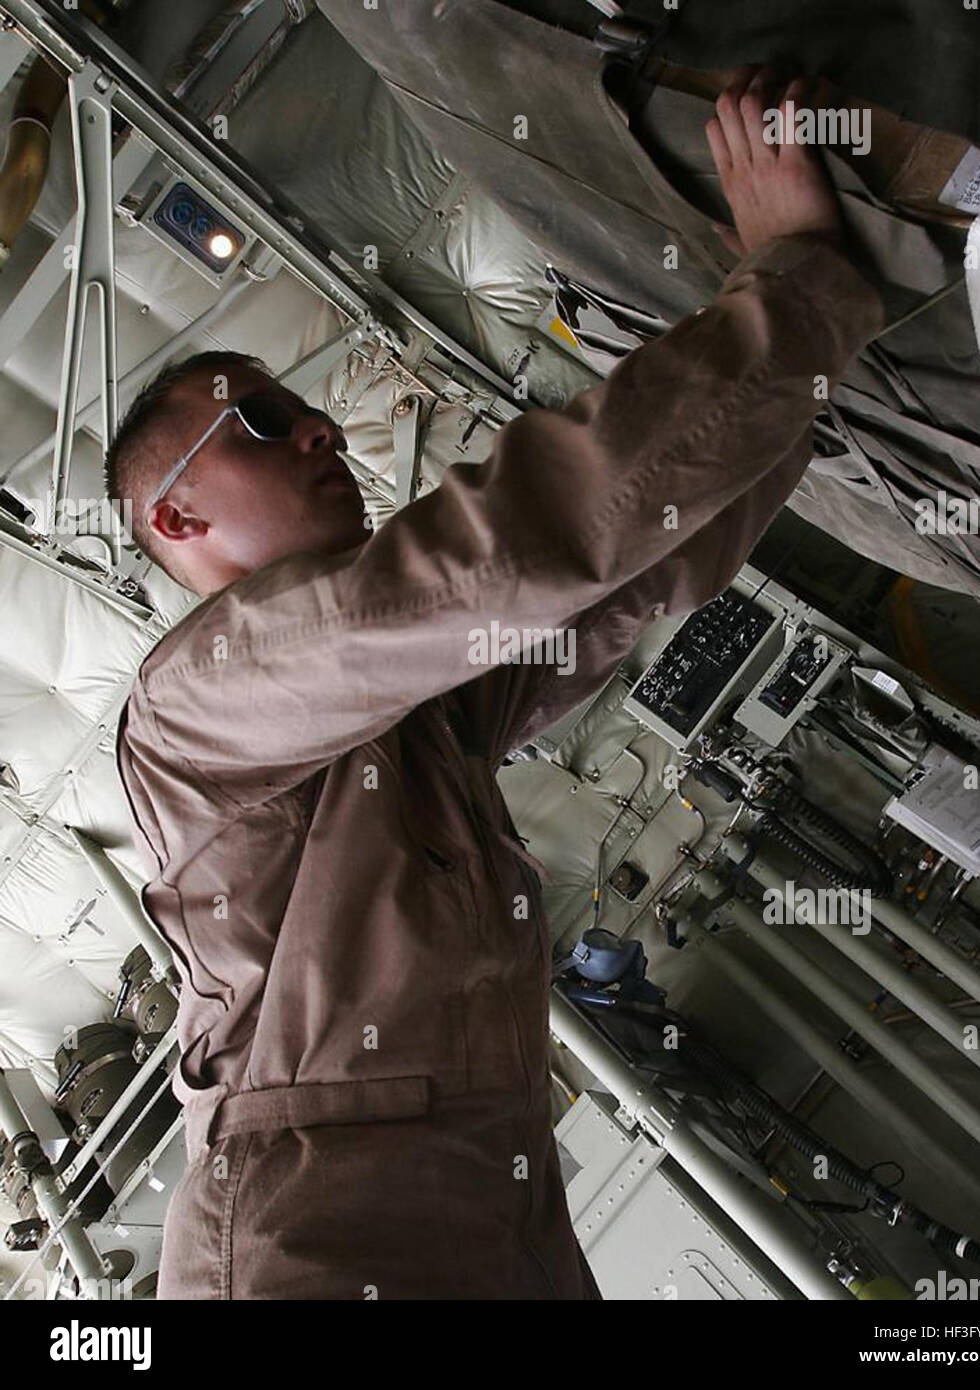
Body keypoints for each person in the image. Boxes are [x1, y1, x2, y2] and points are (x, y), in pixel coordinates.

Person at [108, 71, 883, 1298]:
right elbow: (490, 561)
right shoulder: (192, 706)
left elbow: (619, 586)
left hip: (464, 1168)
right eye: (261, 421)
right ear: (177, 511)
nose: (319, 431)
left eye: (309, 411)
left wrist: (802, 384)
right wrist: (791, 292)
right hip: (335, 1203)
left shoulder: (401, 720)